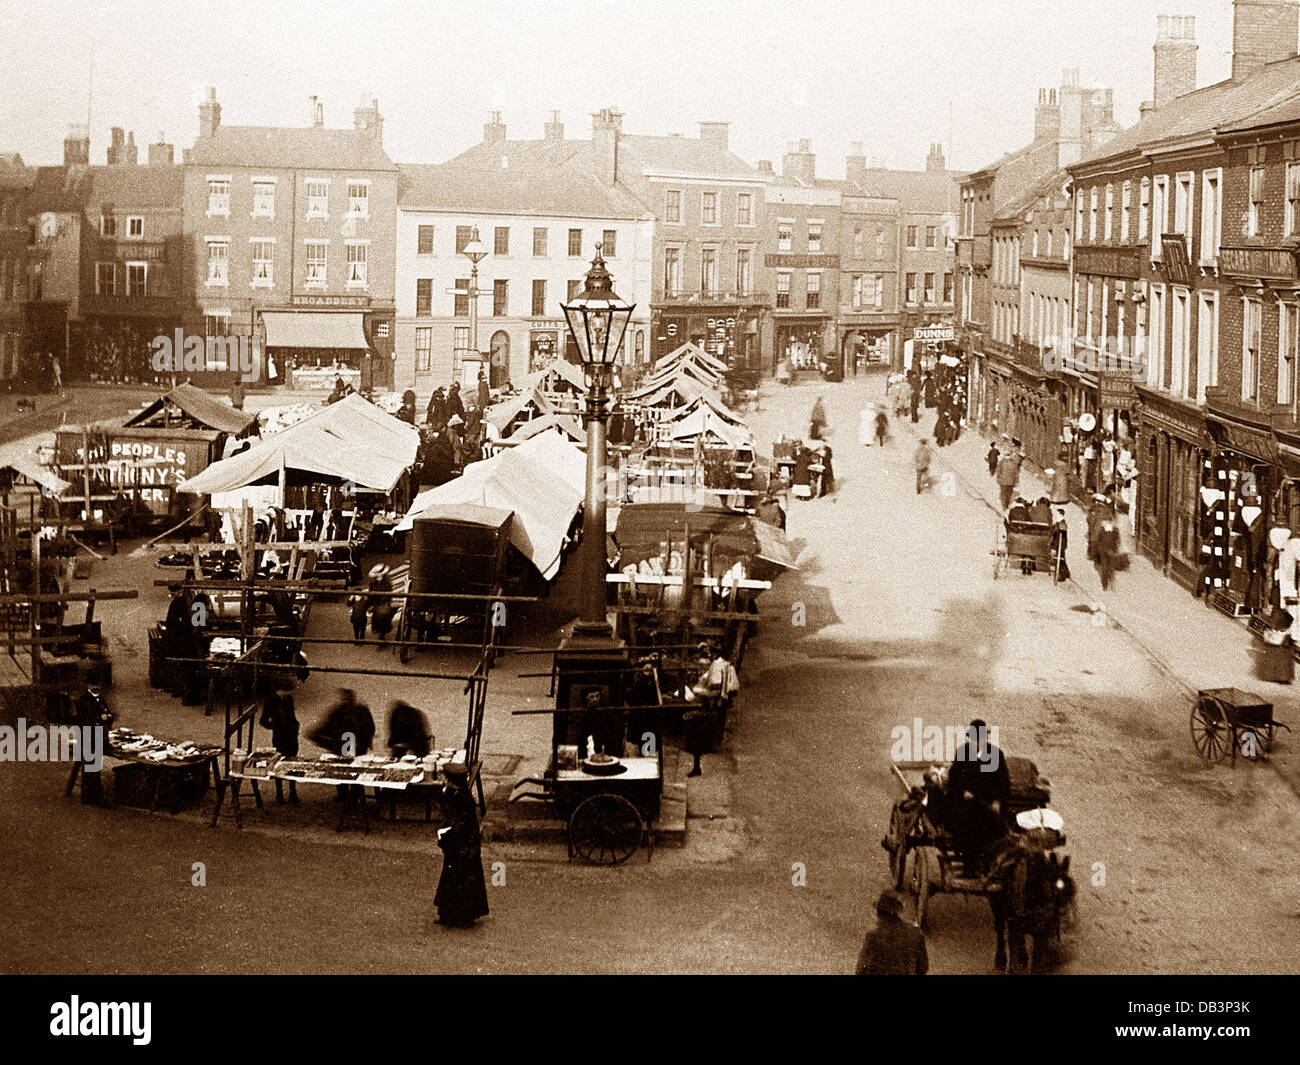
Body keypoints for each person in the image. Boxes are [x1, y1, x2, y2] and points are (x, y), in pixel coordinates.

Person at [945, 720, 1011, 874]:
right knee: (968, 826)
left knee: (998, 828)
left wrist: (997, 801)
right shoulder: (963, 752)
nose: (978, 741)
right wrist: (963, 791)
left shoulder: (996, 754)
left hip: (988, 801)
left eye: (981, 737)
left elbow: (1003, 781)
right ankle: (970, 865)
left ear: (985, 737)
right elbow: (954, 776)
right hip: (966, 801)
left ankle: (992, 863)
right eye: (974, 737)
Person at [435, 767, 490, 927]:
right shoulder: (458, 794)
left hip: (463, 845)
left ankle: (462, 916)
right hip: (459, 844)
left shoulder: (463, 798)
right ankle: (450, 915)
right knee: (453, 878)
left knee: (460, 880)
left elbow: (458, 823)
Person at [855, 891, 928, 975]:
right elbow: (922, 967)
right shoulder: (915, 933)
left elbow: (862, 969)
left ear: (880, 914)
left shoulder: (874, 937)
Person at [74, 687, 115, 806]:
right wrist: (100, 718)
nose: (97, 687)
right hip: (89, 736)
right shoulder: (85, 699)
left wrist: (108, 717)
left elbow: (108, 713)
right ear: (89, 685)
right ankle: (92, 798)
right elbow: (86, 719)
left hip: (97, 736)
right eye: (94, 684)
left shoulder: (100, 698)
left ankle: (92, 797)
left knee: (94, 767)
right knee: (91, 768)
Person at [259, 687, 300, 804]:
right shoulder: (271, 700)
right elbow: (263, 721)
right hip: (280, 738)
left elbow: (292, 716)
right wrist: (276, 727)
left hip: (291, 737)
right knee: (280, 763)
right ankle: (280, 794)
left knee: (291, 763)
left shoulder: (288, 698)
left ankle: (291, 793)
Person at [1257, 608, 1295, 684]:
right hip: (1283, 642)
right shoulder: (1285, 620)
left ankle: (1274, 676)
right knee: (1282, 662)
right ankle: (1283, 677)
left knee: (1276, 660)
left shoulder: (1280, 619)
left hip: (1280, 642)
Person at [1094, 508, 1120, 591]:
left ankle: (1110, 585)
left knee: (1110, 569)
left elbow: (1117, 541)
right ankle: (1105, 585)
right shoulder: (1103, 530)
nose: (1107, 523)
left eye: (1109, 522)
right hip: (1104, 552)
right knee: (1105, 569)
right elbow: (1099, 541)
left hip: (1110, 551)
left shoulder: (1114, 531)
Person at [995, 441, 1024, 510]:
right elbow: (1016, 473)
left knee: (1003, 493)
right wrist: (1016, 481)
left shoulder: (1002, 462)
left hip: (1003, 481)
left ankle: (1004, 506)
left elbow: (998, 471)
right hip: (1011, 482)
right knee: (1008, 494)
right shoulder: (1013, 463)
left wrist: (998, 478)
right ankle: (1007, 503)